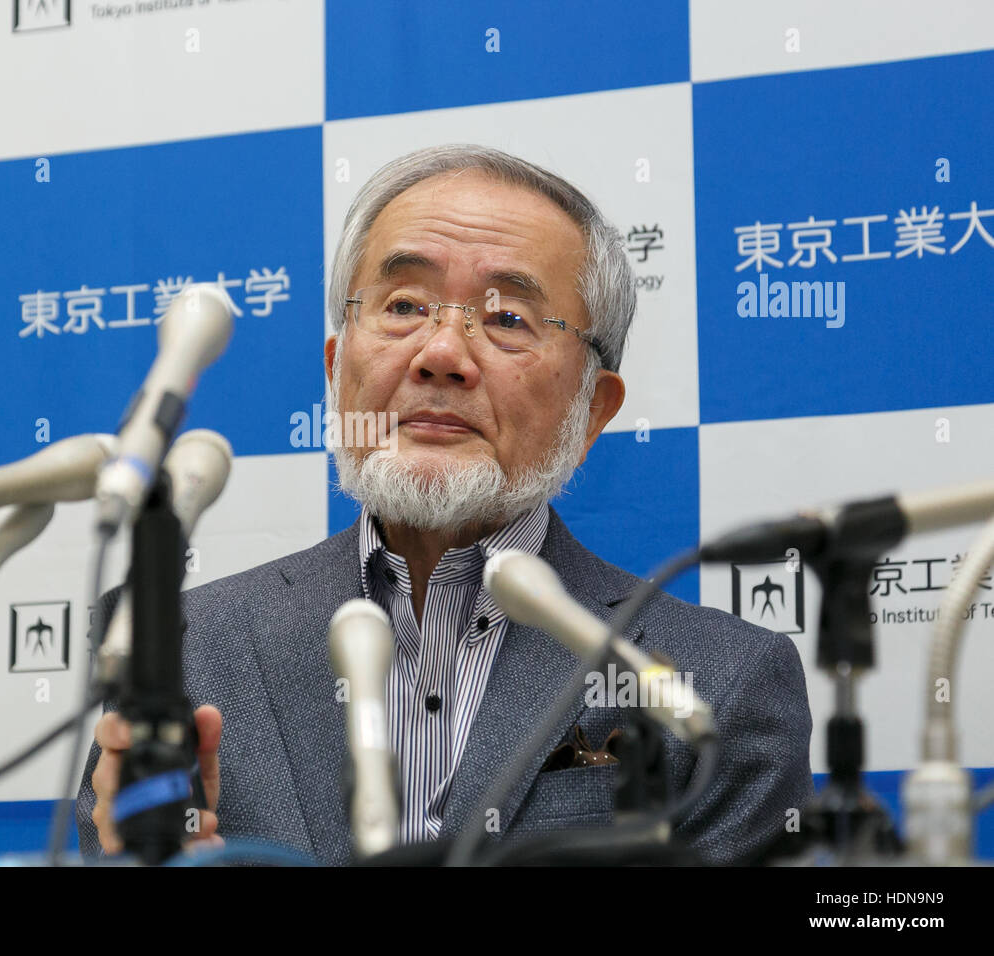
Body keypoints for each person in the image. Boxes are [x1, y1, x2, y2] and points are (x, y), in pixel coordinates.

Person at [77, 144, 813, 865]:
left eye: (508, 320)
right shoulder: (182, 648)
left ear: (592, 408)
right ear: (338, 370)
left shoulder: (718, 682)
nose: (441, 354)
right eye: (404, 305)